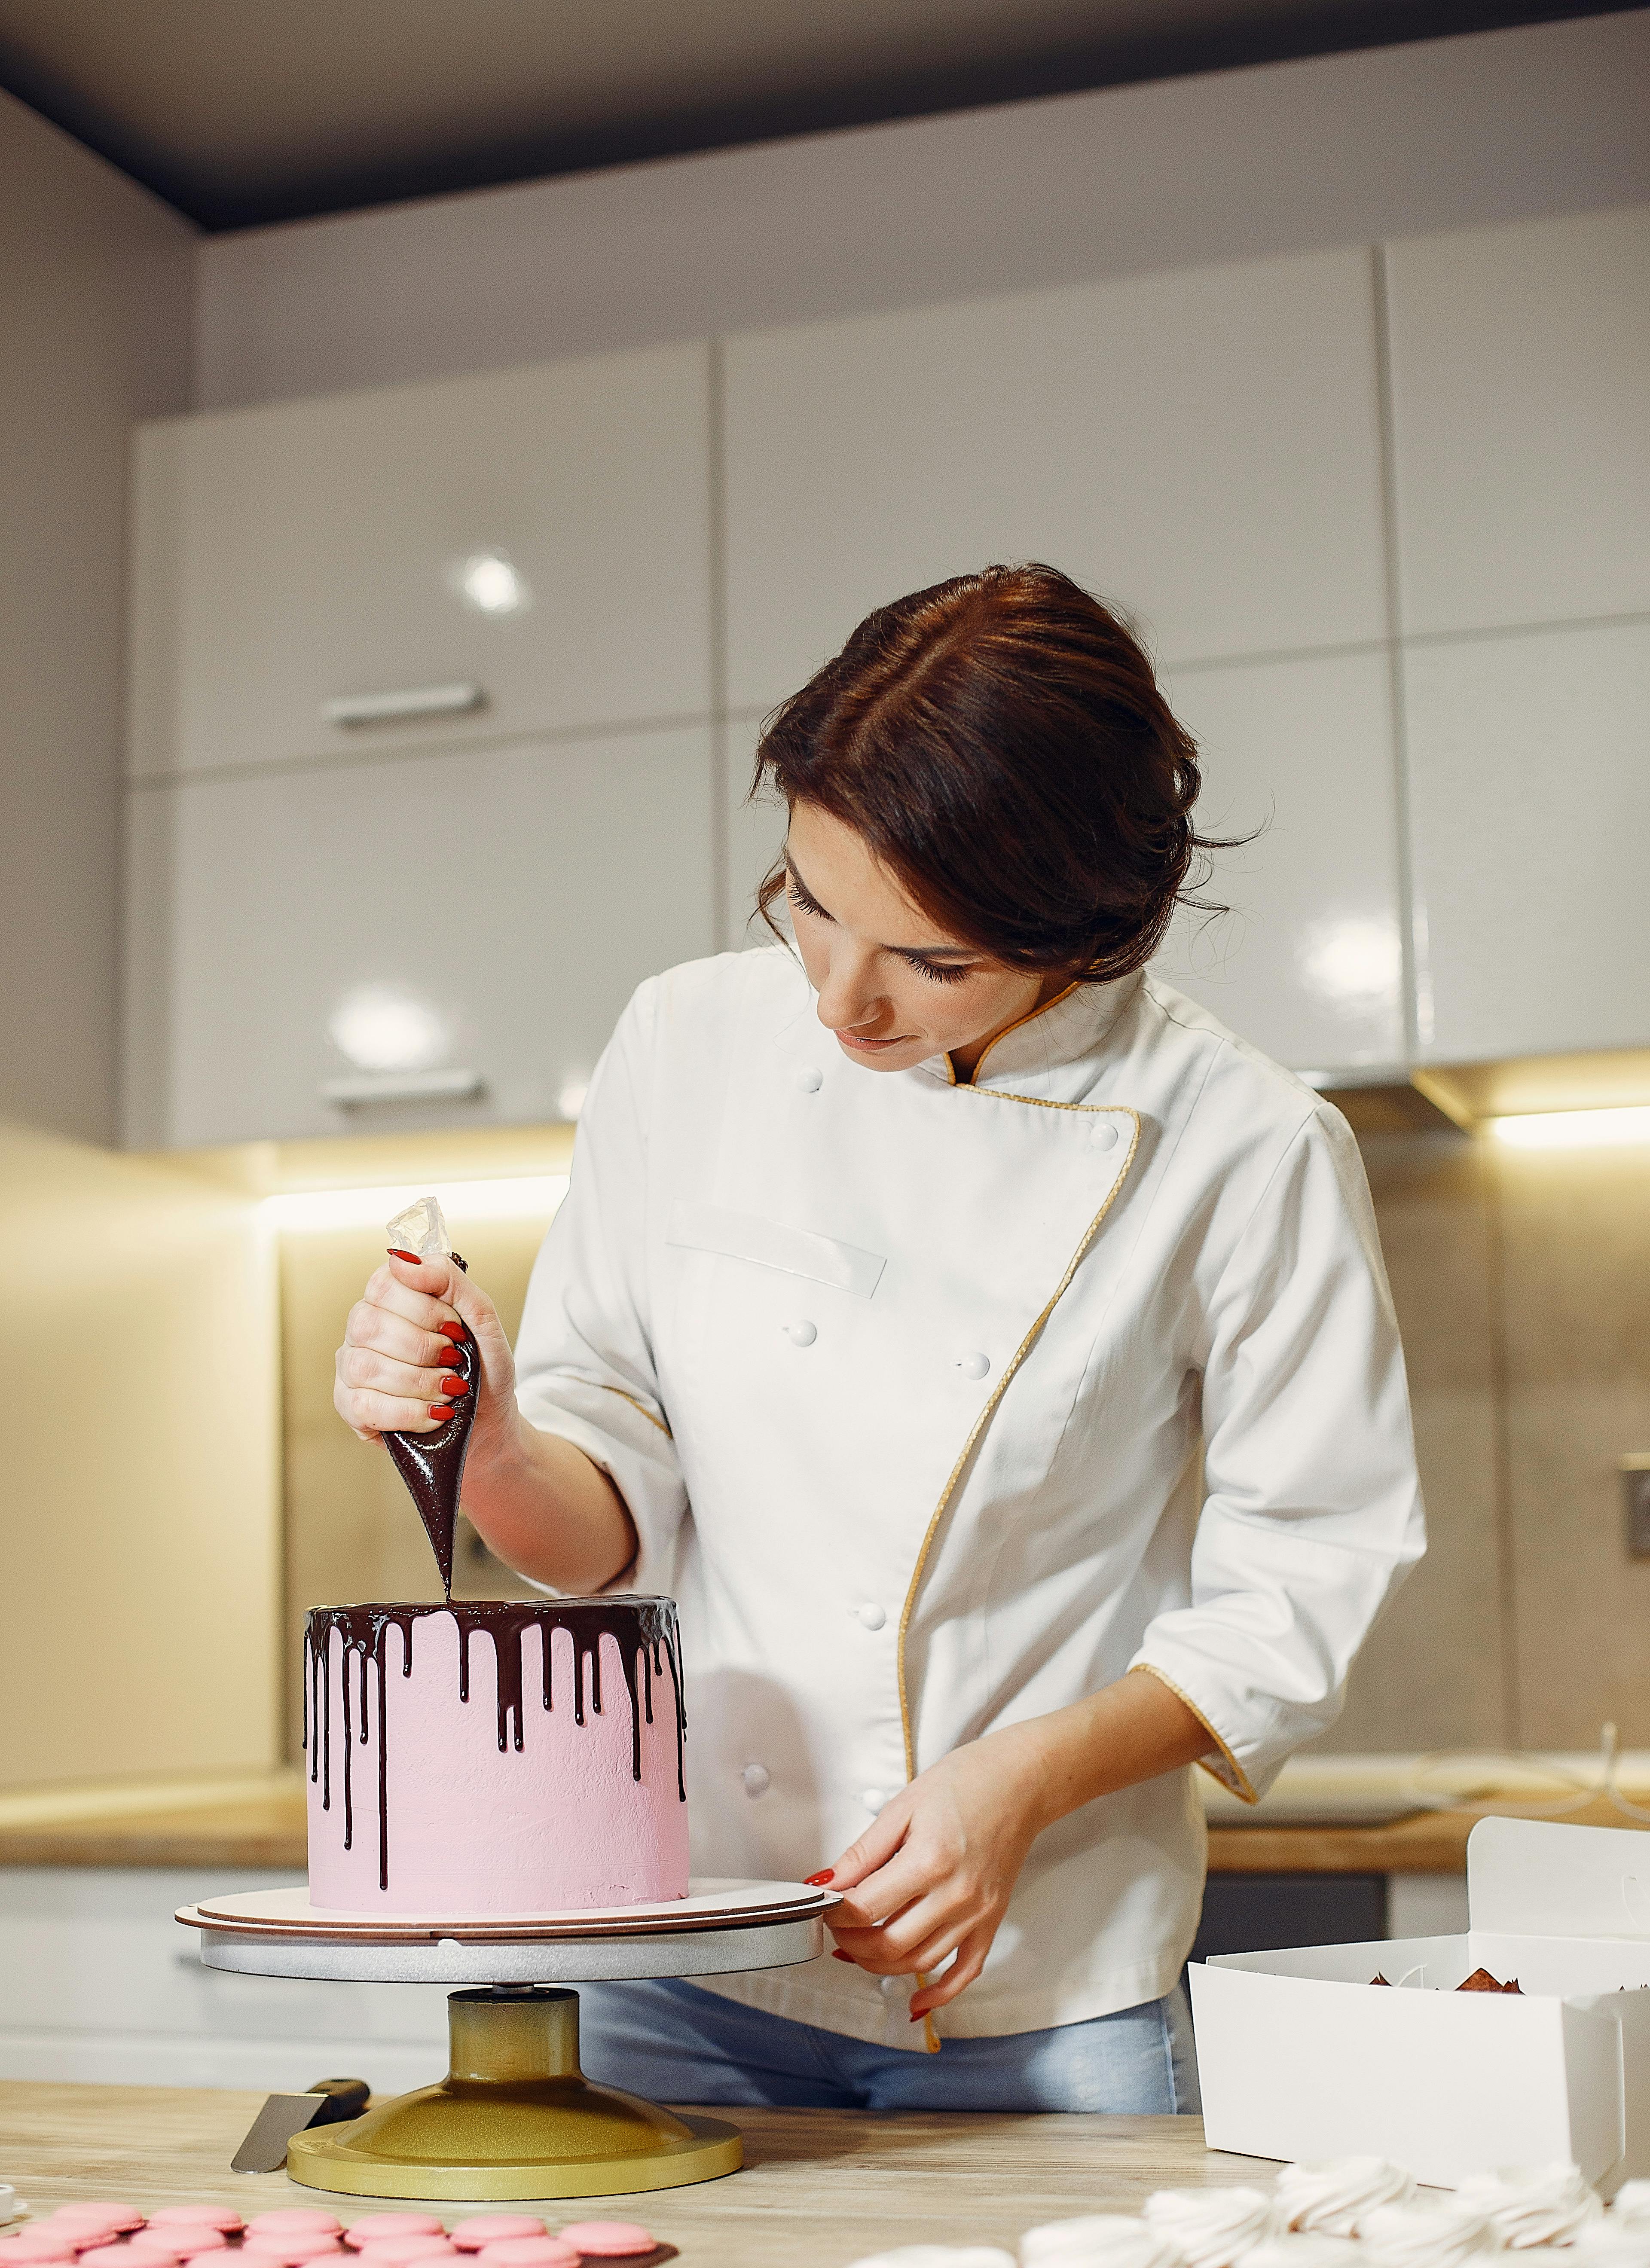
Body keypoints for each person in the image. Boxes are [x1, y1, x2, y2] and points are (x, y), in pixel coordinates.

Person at [334, 564, 1422, 2113]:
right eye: (812, 907)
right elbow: (599, 1541)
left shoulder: (1245, 1144)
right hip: (684, 1945)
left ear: (1096, 930)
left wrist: (1012, 1787)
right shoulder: (687, 1043)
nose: (843, 1004)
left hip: (1040, 1995)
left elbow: (1305, 1577)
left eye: (935, 963)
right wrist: (494, 1439)